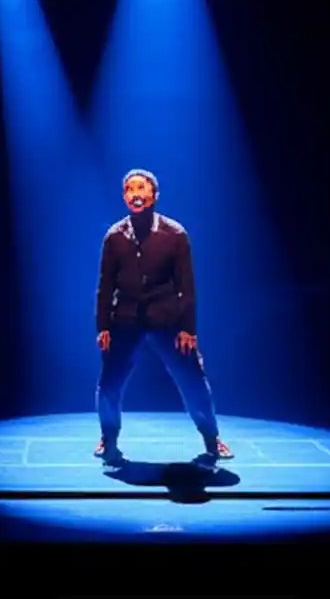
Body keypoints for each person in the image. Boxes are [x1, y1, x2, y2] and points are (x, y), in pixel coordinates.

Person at [93, 168, 233, 471]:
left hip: (167, 320)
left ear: (154, 195)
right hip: (125, 320)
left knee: (193, 381)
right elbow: (105, 285)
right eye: (129, 189)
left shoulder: (175, 234)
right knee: (109, 385)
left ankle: (211, 439)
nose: (135, 194)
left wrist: (187, 329)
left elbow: (187, 286)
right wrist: (103, 325)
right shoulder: (115, 236)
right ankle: (109, 438)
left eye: (141, 188)